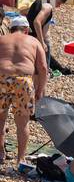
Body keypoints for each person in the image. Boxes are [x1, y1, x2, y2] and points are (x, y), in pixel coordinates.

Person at [0, 25, 46, 165]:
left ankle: (0, 153)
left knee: (1, 119)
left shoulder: (2, 39)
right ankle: (20, 159)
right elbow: (43, 67)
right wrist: (40, 89)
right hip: (23, 80)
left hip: (2, 77)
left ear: (11, 29)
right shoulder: (34, 41)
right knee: (22, 123)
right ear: (26, 30)